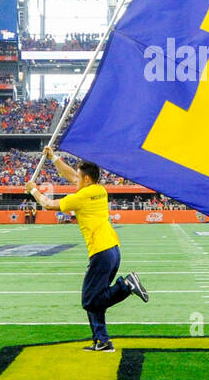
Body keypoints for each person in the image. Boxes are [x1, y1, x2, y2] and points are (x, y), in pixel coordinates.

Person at [26, 147, 147, 352]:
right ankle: (103, 341)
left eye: (80, 178)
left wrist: (33, 189)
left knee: (89, 300)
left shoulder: (80, 198)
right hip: (113, 250)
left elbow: (47, 205)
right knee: (96, 300)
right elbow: (72, 175)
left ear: (87, 180)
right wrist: (53, 158)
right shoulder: (100, 190)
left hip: (101, 252)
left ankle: (126, 285)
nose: (76, 181)